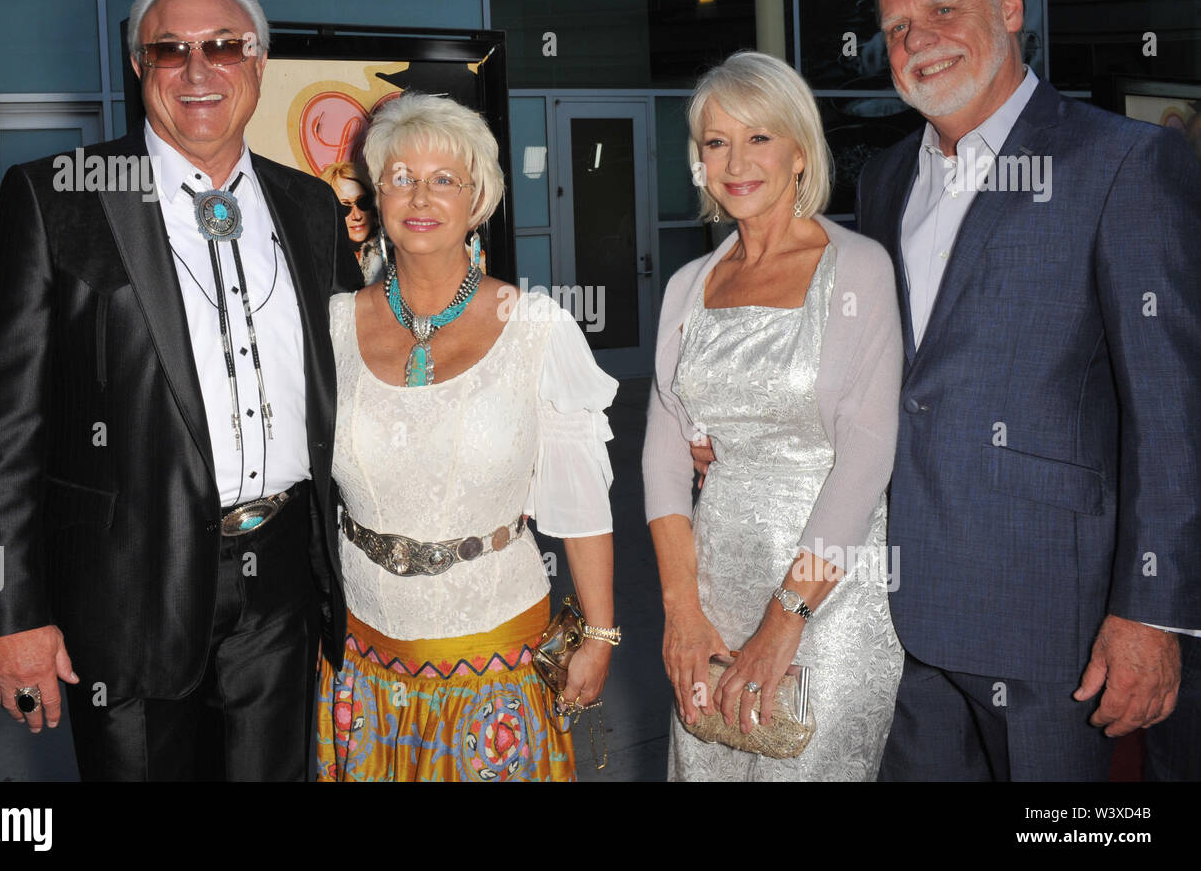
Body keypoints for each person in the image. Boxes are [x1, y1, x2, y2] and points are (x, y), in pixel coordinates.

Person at [0, 0, 350, 780]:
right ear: (139, 69)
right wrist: (8, 616)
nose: (199, 71)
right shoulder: (56, 199)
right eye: (171, 51)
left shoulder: (310, 208)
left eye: (224, 47)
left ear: (259, 63)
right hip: (124, 589)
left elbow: (357, 382)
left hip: (282, 584)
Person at [855, 0, 1201, 780]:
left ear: (1009, 7)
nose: (917, 42)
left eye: (942, 8)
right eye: (897, 27)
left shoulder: (1125, 163)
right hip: (898, 613)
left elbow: (1173, 413)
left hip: (1056, 619)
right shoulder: (884, 177)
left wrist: (1154, 615)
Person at [317, 92, 618, 782]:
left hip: (495, 654)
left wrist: (598, 634)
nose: (420, 195)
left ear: (478, 198)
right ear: (378, 192)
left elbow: (581, 505)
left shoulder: (537, 325)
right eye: (401, 177)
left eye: (444, 179)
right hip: (362, 657)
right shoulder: (331, 324)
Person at [644, 51, 904, 781]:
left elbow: (866, 456)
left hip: (829, 595)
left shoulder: (857, 269)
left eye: (759, 137)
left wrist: (785, 617)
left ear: (799, 151)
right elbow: (662, 460)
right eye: (716, 141)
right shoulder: (688, 286)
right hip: (714, 589)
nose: (736, 160)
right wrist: (681, 611)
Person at [323, 160, 384, 285]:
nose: (356, 215)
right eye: (344, 207)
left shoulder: (392, 255)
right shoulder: (323, 262)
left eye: (363, 202)